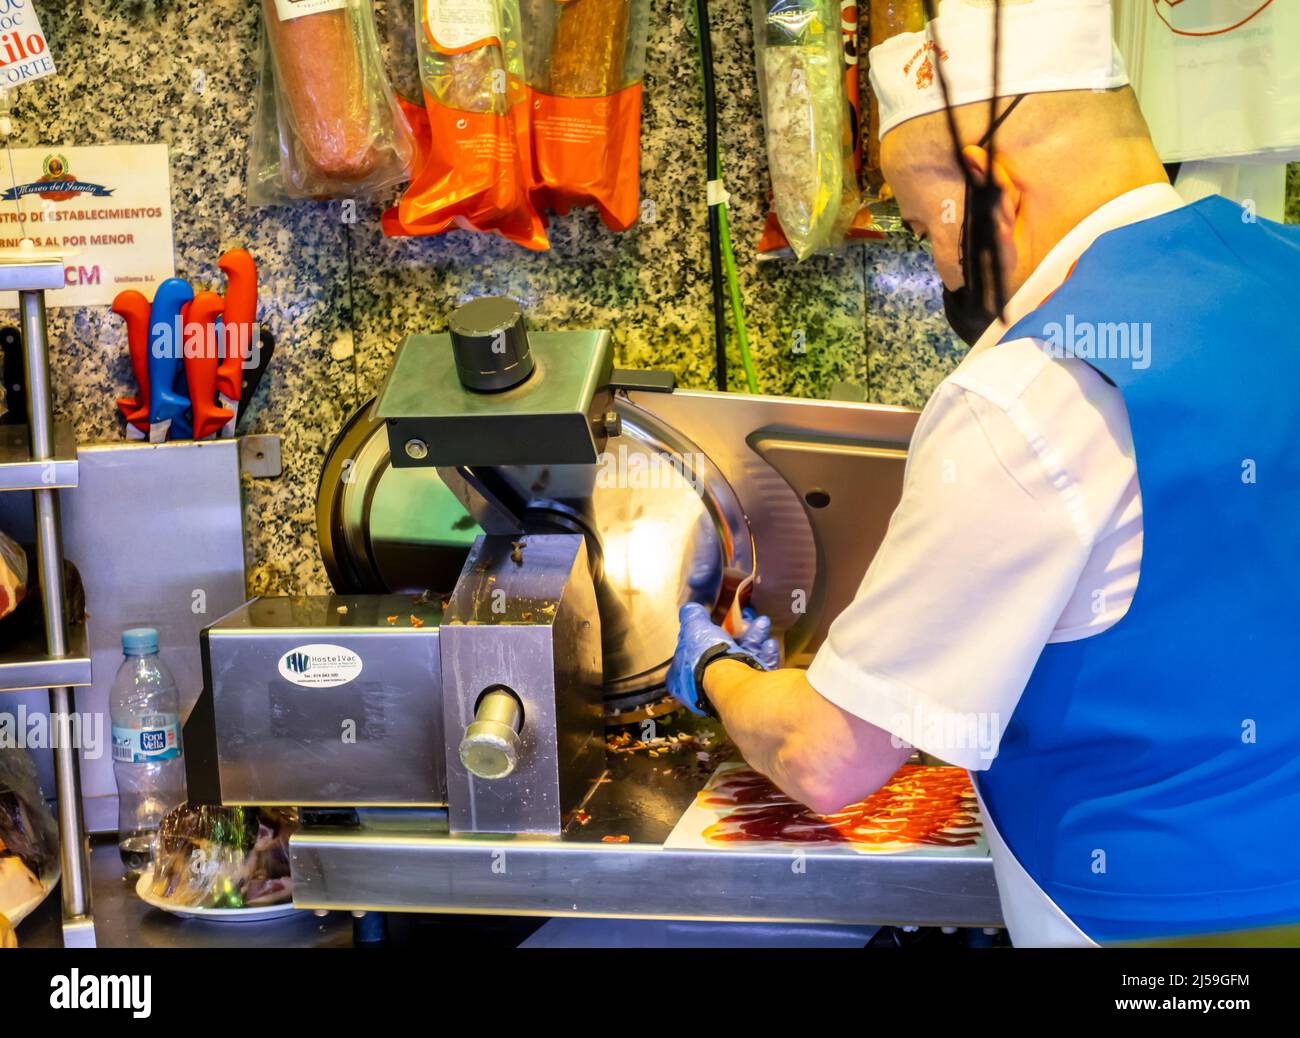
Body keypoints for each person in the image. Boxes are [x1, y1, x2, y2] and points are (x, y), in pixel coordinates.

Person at [668, 0, 1300, 947]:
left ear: (989, 185)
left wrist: (716, 669)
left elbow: (827, 759)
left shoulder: (1030, 388)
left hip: (1162, 943)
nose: (937, 264)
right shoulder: (1280, 264)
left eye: (926, 226)